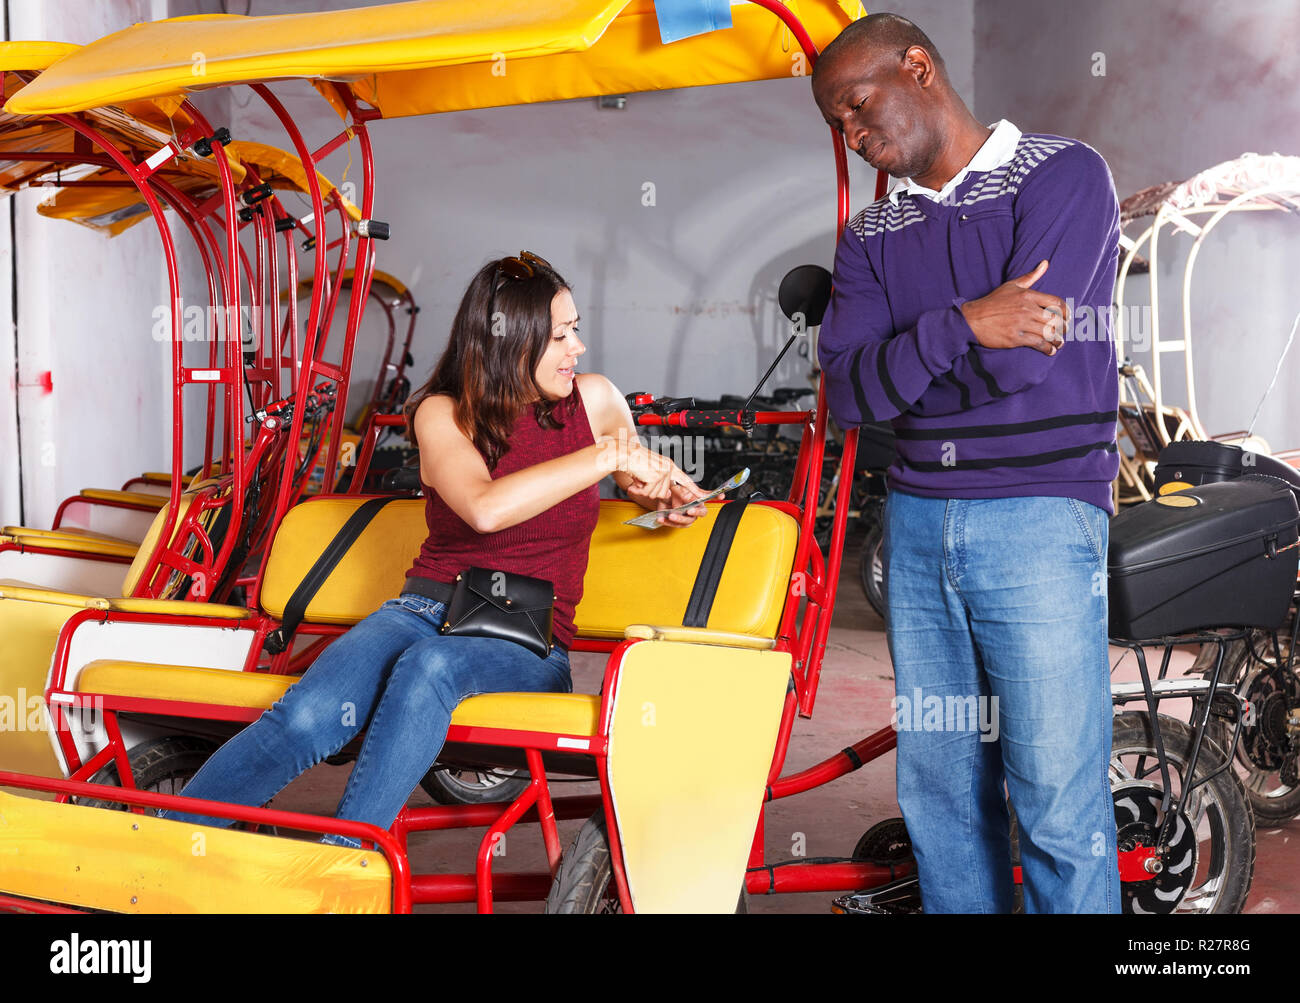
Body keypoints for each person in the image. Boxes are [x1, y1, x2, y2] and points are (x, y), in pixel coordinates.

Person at [161, 252, 707, 844]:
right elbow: (484, 507)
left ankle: (346, 866)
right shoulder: (442, 412)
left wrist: (668, 495)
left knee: (430, 667)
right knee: (308, 713)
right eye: (560, 335)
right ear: (509, 342)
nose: (576, 347)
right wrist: (608, 457)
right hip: (421, 610)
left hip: (523, 636)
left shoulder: (596, 401)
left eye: (575, 329)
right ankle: (160, 847)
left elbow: (639, 480)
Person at [811, 14, 1121, 913]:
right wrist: (964, 323)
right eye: (838, 124)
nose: (853, 134)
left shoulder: (1064, 175)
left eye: (858, 107)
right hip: (913, 526)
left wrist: (912, 356)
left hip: (1038, 519)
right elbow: (852, 398)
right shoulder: (871, 235)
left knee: (1058, 805)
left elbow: (1024, 362)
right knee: (942, 803)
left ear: (919, 68)